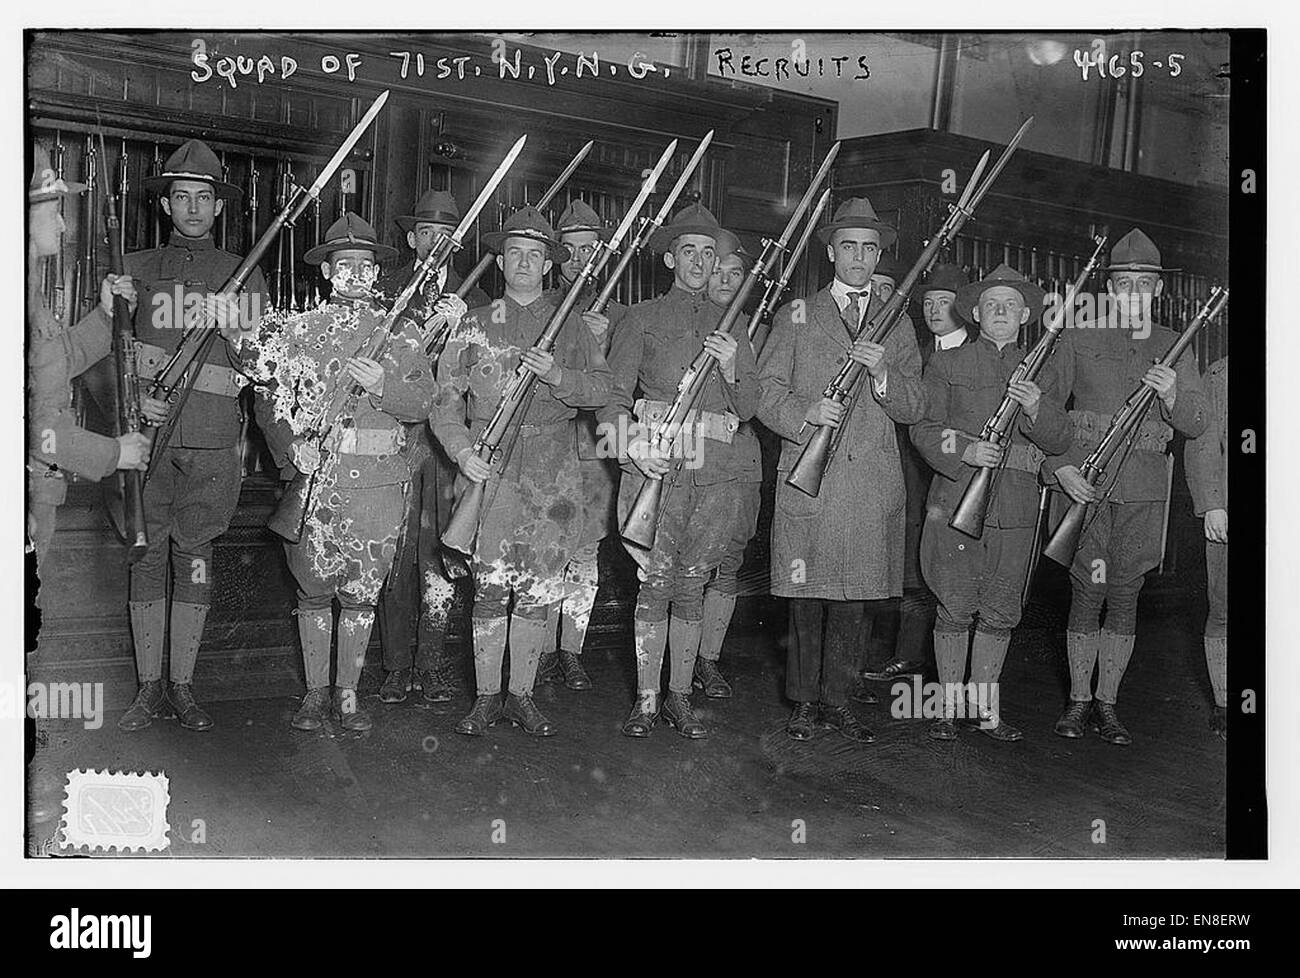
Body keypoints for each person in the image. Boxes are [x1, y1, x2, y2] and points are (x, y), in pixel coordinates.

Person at [241, 213, 435, 732]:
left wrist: (381, 387)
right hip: (317, 480)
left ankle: (348, 695)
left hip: (377, 484)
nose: (355, 273)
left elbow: (422, 404)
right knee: (312, 591)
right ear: (326, 271)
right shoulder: (298, 330)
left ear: (377, 273)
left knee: (361, 594)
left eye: (365, 265)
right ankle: (314, 693)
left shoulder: (403, 333)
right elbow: (267, 397)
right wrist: (290, 448)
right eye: (343, 264)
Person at [432, 205, 612, 737]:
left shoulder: (573, 325)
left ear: (549, 265)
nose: (526, 263)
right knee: (489, 588)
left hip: (554, 471)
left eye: (536, 255)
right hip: (492, 468)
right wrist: (462, 451)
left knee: (535, 590)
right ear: (501, 262)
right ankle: (486, 697)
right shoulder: (474, 321)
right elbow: (445, 399)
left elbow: (602, 390)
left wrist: (558, 373)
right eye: (515, 253)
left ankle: (522, 696)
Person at [757, 197, 925, 744]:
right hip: (814, 475)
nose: (858, 258)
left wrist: (883, 377)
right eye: (848, 247)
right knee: (808, 595)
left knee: (856, 597)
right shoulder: (797, 313)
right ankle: (804, 703)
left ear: (879, 257)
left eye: (869, 249)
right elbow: (764, 390)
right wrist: (804, 413)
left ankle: (839, 699)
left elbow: (915, 405)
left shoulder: (896, 322)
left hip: (870, 483)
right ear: (830, 252)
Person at [117, 139, 269, 733]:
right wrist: (135, 402)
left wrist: (233, 327)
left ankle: (182, 684)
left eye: (203, 198)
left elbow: (262, 364)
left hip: (211, 442)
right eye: (181, 197)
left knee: (197, 555)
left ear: (218, 206)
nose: (193, 209)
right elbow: (106, 360)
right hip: (148, 437)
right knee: (145, 551)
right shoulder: (135, 269)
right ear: (167, 206)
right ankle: (147, 687)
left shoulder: (242, 273)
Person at [599, 203, 757, 739]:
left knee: (693, 585)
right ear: (670, 258)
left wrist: (735, 365)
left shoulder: (735, 327)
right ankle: (646, 699)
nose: (699, 261)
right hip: (657, 471)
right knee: (654, 585)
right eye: (689, 250)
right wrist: (632, 451)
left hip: (715, 478)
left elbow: (751, 406)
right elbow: (611, 399)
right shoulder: (639, 320)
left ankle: (680, 698)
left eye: (709, 253)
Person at [1045, 228, 1208, 745]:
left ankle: (1108, 704)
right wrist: (1062, 467)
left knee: (1125, 594)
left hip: (1143, 490)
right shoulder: (1077, 335)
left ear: (1157, 290)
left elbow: (1199, 421)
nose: (1134, 291)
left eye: (1144, 283)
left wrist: (1173, 395)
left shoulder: (1174, 345)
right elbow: (1043, 414)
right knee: (1085, 591)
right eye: (1124, 282)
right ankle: (1076, 701)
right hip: (1086, 486)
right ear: (1110, 289)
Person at [910, 263, 1074, 741]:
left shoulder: (1043, 369)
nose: (1001, 311)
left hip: (1018, 507)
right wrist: (963, 449)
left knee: (1001, 611)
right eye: (991, 305)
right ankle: (944, 710)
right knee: (954, 606)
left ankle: (985, 711)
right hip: (958, 500)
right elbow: (922, 428)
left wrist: (1036, 408)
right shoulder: (946, 364)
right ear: (976, 314)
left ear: (1025, 316)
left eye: (1010, 305)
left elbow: (1060, 438)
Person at [27, 143, 158, 571]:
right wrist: (111, 454)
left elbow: (53, 362)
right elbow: (34, 430)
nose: (64, 224)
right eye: (53, 211)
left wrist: (105, 315)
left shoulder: (26, 295)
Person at [372, 190, 479, 707]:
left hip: (446, 447)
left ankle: (431, 664)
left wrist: (466, 328)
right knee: (394, 557)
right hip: (395, 438)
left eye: (446, 236)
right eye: (427, 234)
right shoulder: (383, 291)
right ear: (413, 239)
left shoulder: (474, 300)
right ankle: (394, 666)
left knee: (438, 557)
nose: (437, 244)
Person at [860, 264, 973, 687]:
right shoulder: (915, 350)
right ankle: (907, 654)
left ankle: (940, 661)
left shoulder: (974, 356)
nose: (933, 310)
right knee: (907, 565)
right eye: (927, 302)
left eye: (944, 302)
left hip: (953, 478)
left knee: (945, 571)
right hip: (906, 471)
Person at [537, 199, 624, 691]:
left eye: (588, 250)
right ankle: (541, 646)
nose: (578, 261)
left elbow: (621, 386)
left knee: (584, 551)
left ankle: (571, 648)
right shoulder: (539, 307)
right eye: (567, 251)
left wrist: (603, 341)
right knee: (546, 546)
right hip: (547, 444)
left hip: (594, 449)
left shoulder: (623, 315)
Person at [692, 241, 763, 699]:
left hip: (738, 461)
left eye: (734, 273)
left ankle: (708, 661)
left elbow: (757, 402)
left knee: (728, 564)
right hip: (691, 459)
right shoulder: (674, 320)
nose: (724, 279)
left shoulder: (752, 330)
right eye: (716, 270)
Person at [1185, 354, 1227, 740]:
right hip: (1229, 510)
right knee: (1224, 607)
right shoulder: (1220, 374)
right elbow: (1203, 443)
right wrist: (1213, 504)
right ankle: (1226, 702)